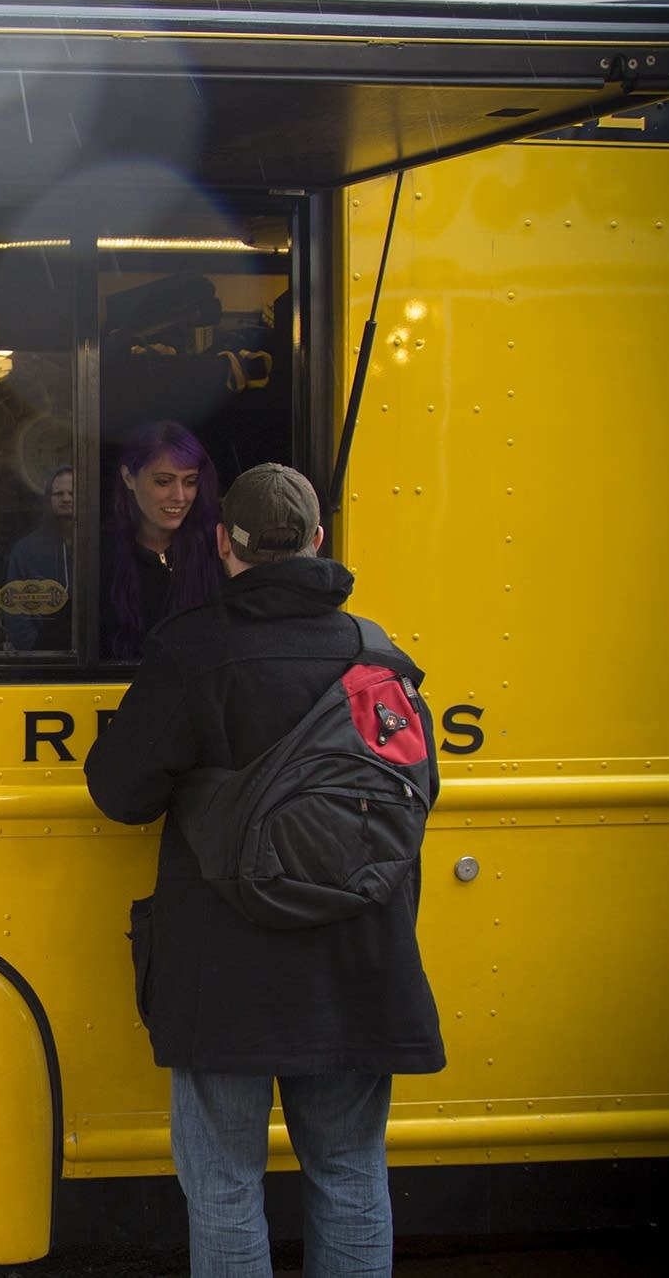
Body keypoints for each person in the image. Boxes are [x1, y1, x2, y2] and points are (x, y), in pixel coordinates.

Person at [83, 463, 444, 1277]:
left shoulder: (191, 651)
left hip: (225, 969)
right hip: (358, 960)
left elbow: (120, 792)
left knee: (223, 1184)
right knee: (351, 1172)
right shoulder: (378, 657)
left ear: (222, 541)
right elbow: (416, 795)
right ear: (318, 540)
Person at [105, 420, 221, 660]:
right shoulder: (101, 558)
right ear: (129, 478)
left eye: (190, 482)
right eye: (164, 481)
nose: (179, 496)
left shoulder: (219, 554)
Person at [3, 465, 75, 651]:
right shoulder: (26, 551)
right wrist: (37, 652)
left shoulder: (101, 545)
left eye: (72, 493)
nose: (66, 499)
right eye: (59, 494)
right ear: (48, 499)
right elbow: (15, 611)